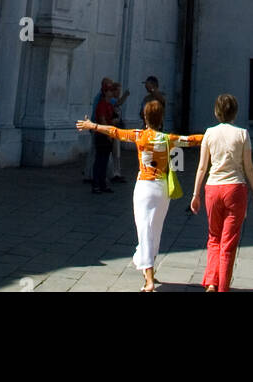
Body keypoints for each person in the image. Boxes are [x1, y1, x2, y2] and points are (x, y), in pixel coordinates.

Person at [77, 100, 203, 291]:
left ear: (145, 117)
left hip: (144, 187)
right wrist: (211, 135)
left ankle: (149, 278)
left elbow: (114, 131)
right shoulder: (168, 139)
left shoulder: (139, 136)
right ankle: (148, 268)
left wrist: (92, 125)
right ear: (161, 118)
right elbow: (191, 140)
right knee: (156, 230)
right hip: (162, 189)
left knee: (144, 230)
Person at [190, 93, 253, 293]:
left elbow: (202, 167)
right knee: (228, 243)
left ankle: (212, 282)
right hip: (235, 189)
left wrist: (195, 194)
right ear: (235, 113)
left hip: (212, 188)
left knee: (214, 237)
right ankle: (222, 288)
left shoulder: (209, 133)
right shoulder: (242, 134)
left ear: (216, 112)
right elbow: (249, 168)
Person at [91, 82, 116, 194]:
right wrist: (108, 135)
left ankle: (102, 183)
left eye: (112, 90)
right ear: (105, 92)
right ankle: (96, 184)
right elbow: (102, 119)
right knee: (100, 160)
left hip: (108, 134)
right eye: (109, 90)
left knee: (105, 160)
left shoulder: (109, 104)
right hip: (102, 135)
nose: (112, 92)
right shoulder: (102, 104)